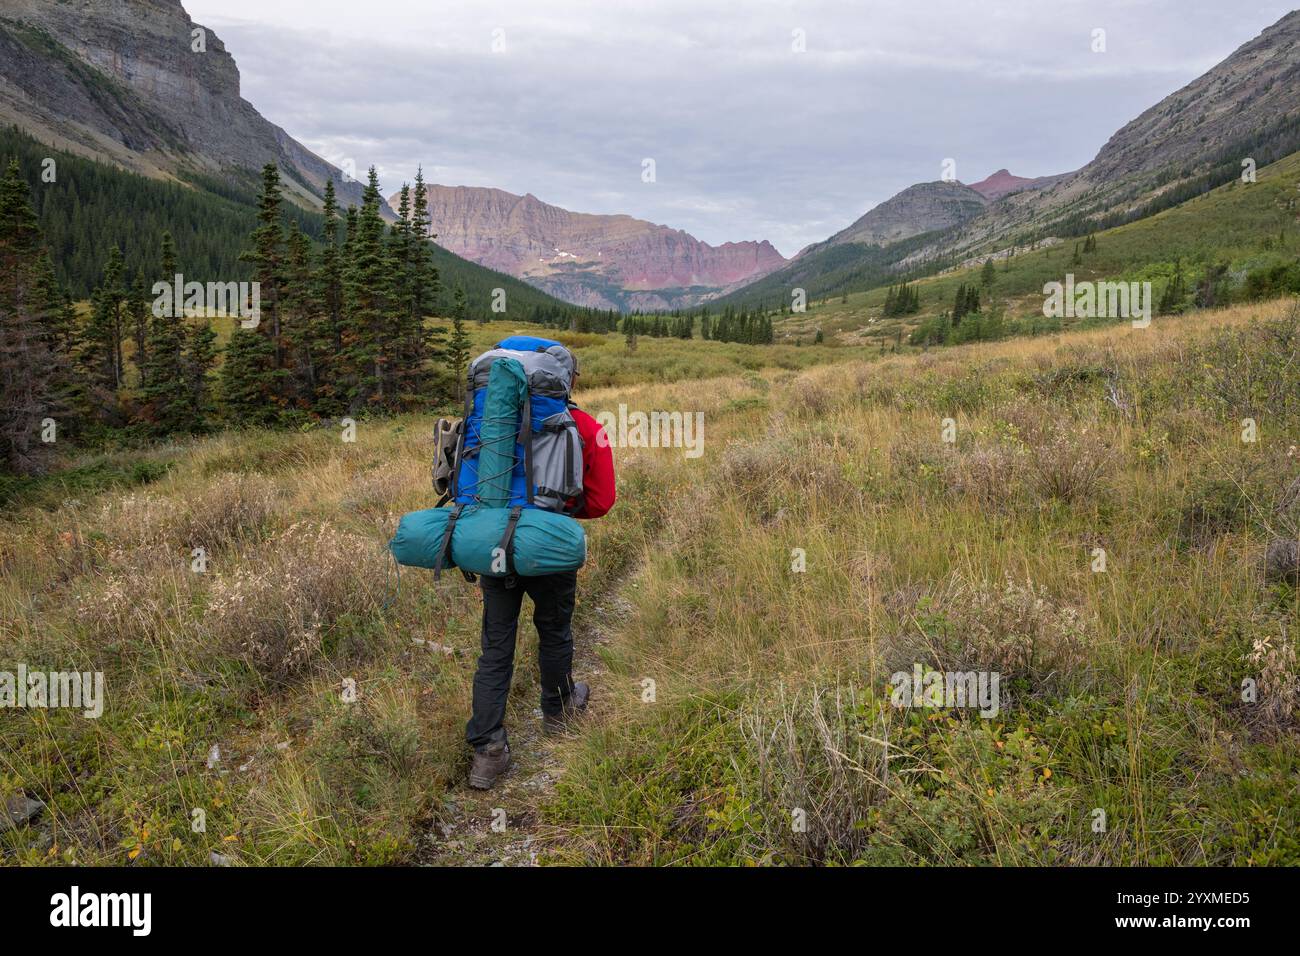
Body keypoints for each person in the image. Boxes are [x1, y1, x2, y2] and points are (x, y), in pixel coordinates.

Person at [466, 387, 615, 790]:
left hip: (496, 542)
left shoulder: (489, 423)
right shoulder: (584, 426)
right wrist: (558, 512)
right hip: (549, 548)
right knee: (554, 630)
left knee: (496, 647)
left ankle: (488, 752)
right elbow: (602, 501)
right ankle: (559, 710)